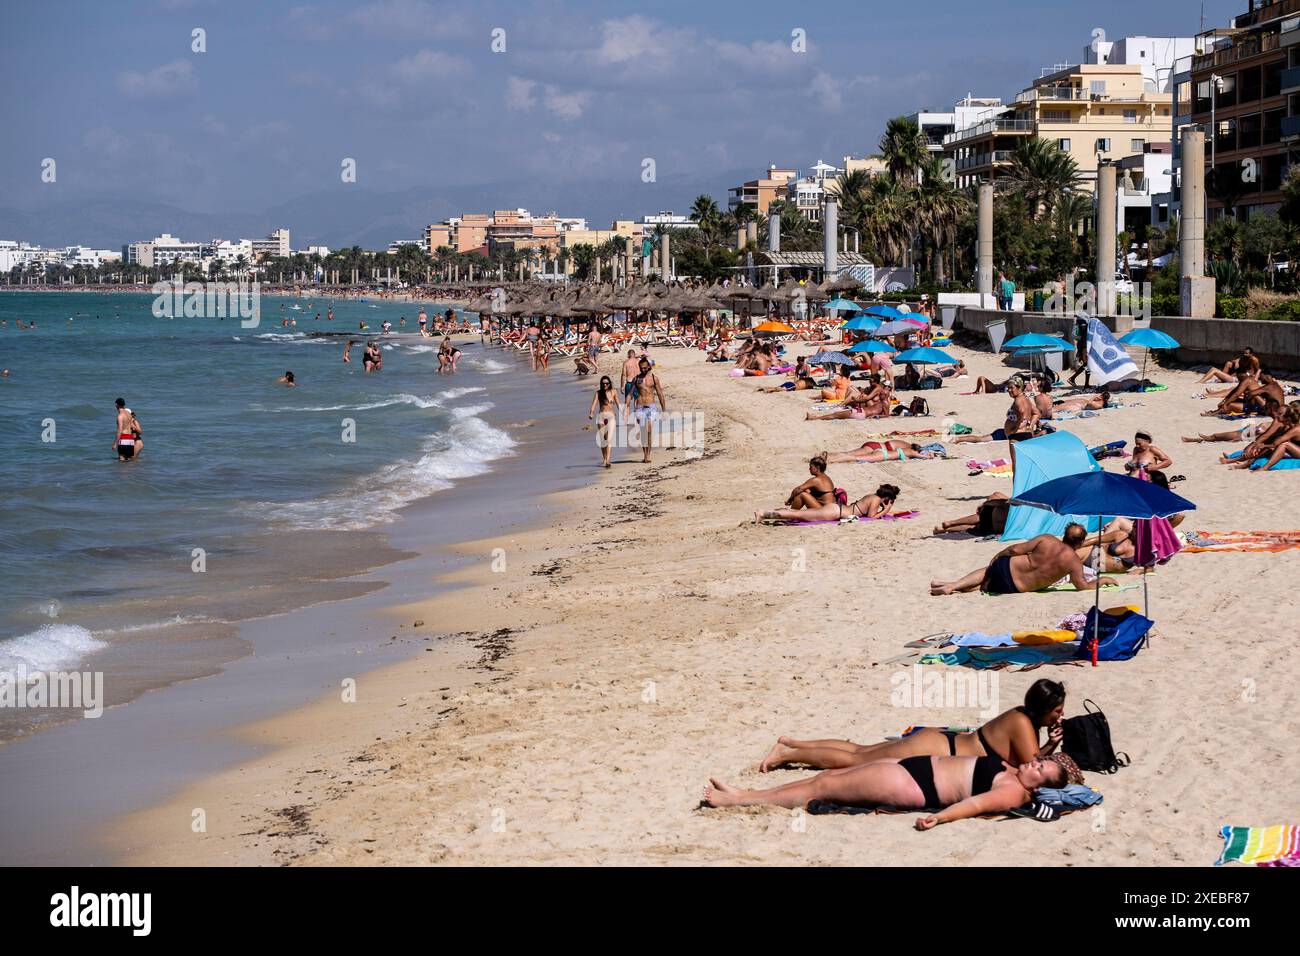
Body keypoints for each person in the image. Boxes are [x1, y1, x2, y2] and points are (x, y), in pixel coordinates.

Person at [759, 678, 1067, 772]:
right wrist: (1051, 746)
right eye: (1056, 712)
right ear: (1042, 708)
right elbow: (1032, 766)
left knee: (859, 750)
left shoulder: (1020, 714)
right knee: (855, 759)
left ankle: (794, 744)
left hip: (939, 741)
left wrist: (1049, 742)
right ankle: (786, 756)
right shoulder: (1024, 724)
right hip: (935, 746)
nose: (1059, 717)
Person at [703, 752, 1074, 827]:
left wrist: (939, 818)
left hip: (913, 784)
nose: (1034, 763)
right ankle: (745, 792)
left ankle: (736, 799)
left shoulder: (1013, 792)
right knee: (828, 777)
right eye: (1040, 760)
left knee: (824, 786)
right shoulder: (1013, 771)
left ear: (1040, 785)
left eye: (1040, 768)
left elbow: (975, 805)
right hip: (912, 768)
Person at [930, 524, 1116, 595]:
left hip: (1007, 568)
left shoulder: (1047, 539)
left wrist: (1000, 554)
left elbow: (1016, 549)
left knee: (988, 571)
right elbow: (1082, 586)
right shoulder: (1074, 562)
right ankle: (951, 587)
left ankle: (952, 585)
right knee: (987, 585)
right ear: (1082, 541)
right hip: (1015, 587)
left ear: (1065, 534)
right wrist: (1102, 580)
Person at [756, 483, 900, 524]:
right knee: (799, 515)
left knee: (798, 514)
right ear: (887, 497)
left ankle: (765, 512)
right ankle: (763, 513)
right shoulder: (875, 500)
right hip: (835, 512)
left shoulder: (872, 496)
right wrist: (886, 510)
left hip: (836, 509)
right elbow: (871, 517)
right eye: (889, 500)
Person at [629, 356, 666, 463]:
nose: (643, 370)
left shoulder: (654, 378)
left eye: (645, 368)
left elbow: (660, 394)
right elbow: (630, 394)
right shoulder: (636, 379)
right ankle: (644, 454)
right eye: (641, 368)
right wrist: (627, 405)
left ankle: (648, 455)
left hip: (651, 407)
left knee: (648, 431)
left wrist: (664, 410)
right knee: (643, 432)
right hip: (640, 407)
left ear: (649, 367)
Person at [933, 492, 1010, 536]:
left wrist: (984, 504)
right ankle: (944, 529)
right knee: (976, 526)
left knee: (996, 496)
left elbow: (1002, 502)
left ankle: (951, 523)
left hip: (994, 522)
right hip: (996, 525)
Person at [588, 375, 620, 469]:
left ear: (609, 383)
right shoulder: (598, 393)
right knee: (603, 440)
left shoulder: (613, 391)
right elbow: (594, 404)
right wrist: (591, 413)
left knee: (609, 439)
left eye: (606, 383)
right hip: (601, 417)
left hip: (611, 417)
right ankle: (604, 458)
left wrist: (623, 413)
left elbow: (618, 403)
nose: (605, 385)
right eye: (603, 383)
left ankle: (608, 460)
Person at [822, 441, 938, 464]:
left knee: (851, 455)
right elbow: (922, 456)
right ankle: (830, 459)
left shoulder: (906, 447)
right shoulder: (911, 452)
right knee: (854, 458)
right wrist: (929, 456)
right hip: (882, 454)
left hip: (880, 450)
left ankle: (829, 456)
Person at [113, 397, 142, 462]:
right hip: (130, 439)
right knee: (128, 460)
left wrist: (115, 443)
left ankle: (121, 472)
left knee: (122, 460)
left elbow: (119, 430)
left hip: (123, 438)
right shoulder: (129, 414)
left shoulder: (120, 416)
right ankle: (130, 472)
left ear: (116, 405)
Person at [1067, 315, 1090, 387]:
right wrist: (1085, 349)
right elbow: (1084, 338)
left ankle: (1085, 383)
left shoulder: (1079, 323)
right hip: (1084, 347)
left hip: (1082, 346)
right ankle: (1073, 378)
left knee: (1087, 365)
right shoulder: (1084, 326)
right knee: (1087, 365)